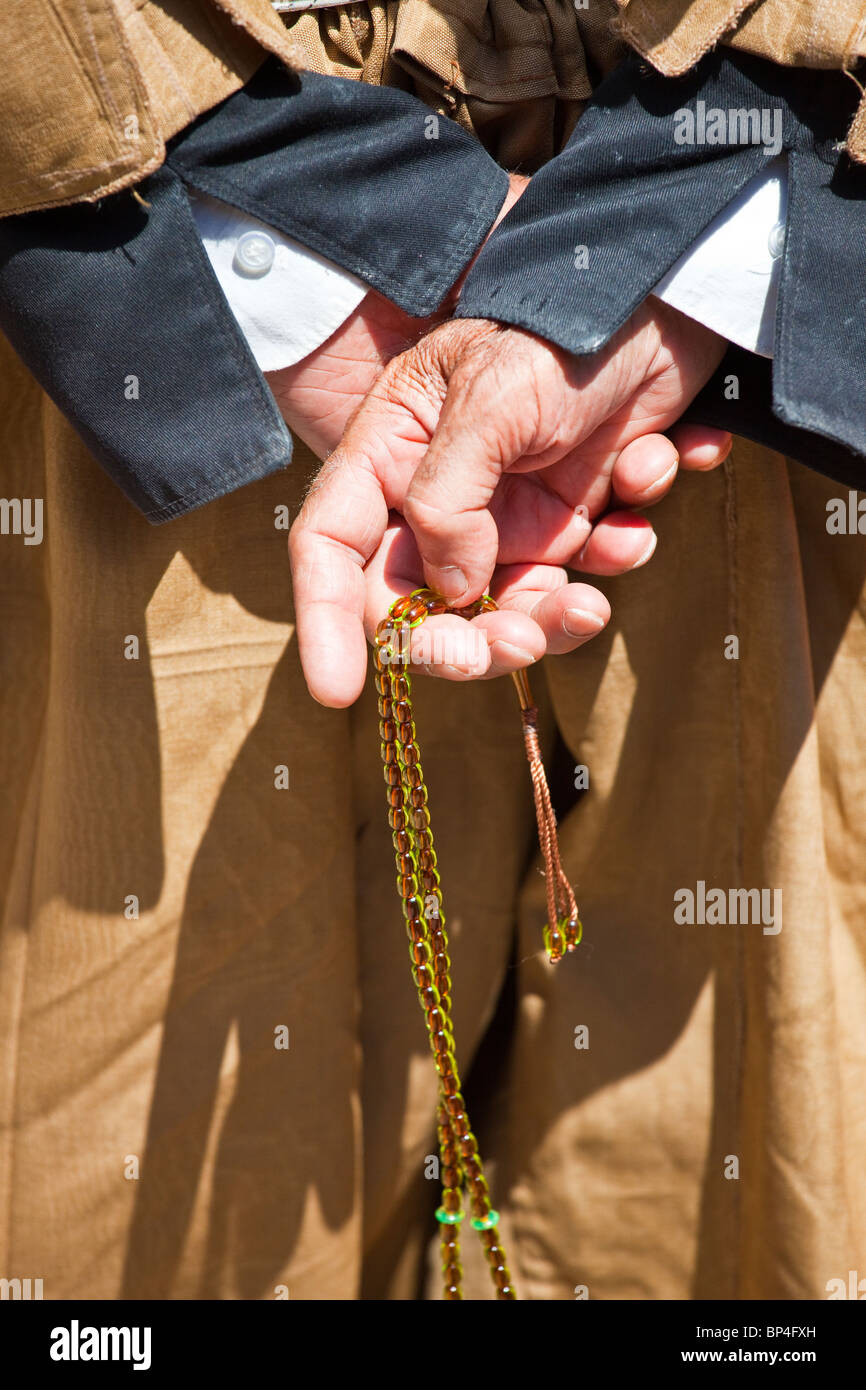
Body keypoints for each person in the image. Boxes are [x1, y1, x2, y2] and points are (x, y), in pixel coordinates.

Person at [0, 0, 862, 1301]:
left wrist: (687, 240)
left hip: (782, 276)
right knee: (148, 1215)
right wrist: (287, 229)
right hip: (181, 237)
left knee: (738, 1209)